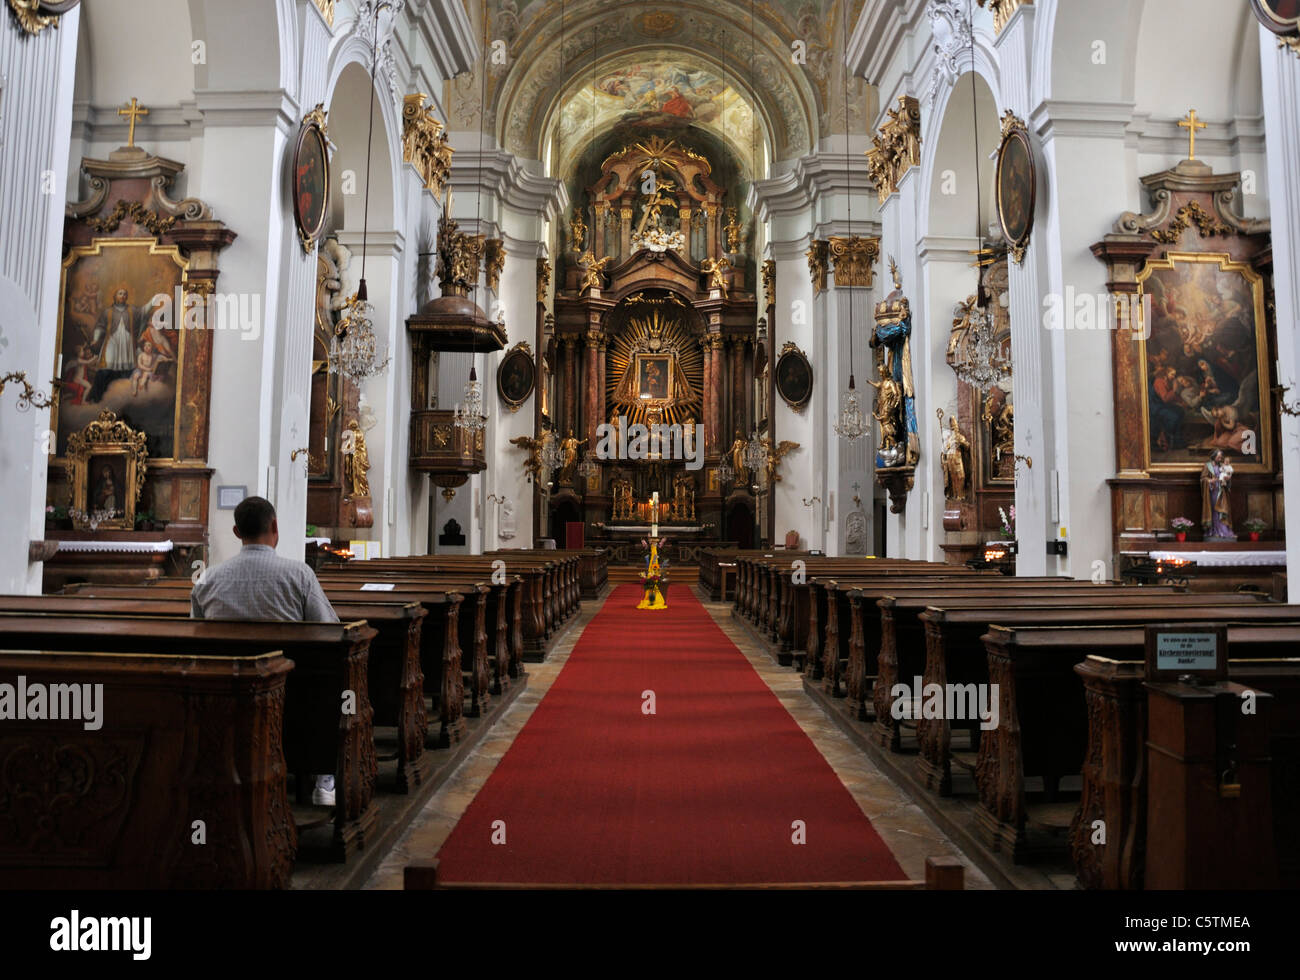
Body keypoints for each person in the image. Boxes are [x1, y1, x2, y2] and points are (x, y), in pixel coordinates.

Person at [191, 496, 341, 806]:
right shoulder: (300, 575)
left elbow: (196, 636)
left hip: (226, 693)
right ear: (274, 526)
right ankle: (322, 775)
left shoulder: (206, 579)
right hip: (291, 694)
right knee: (329, 680)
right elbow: (329, 631)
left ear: (236, 532)